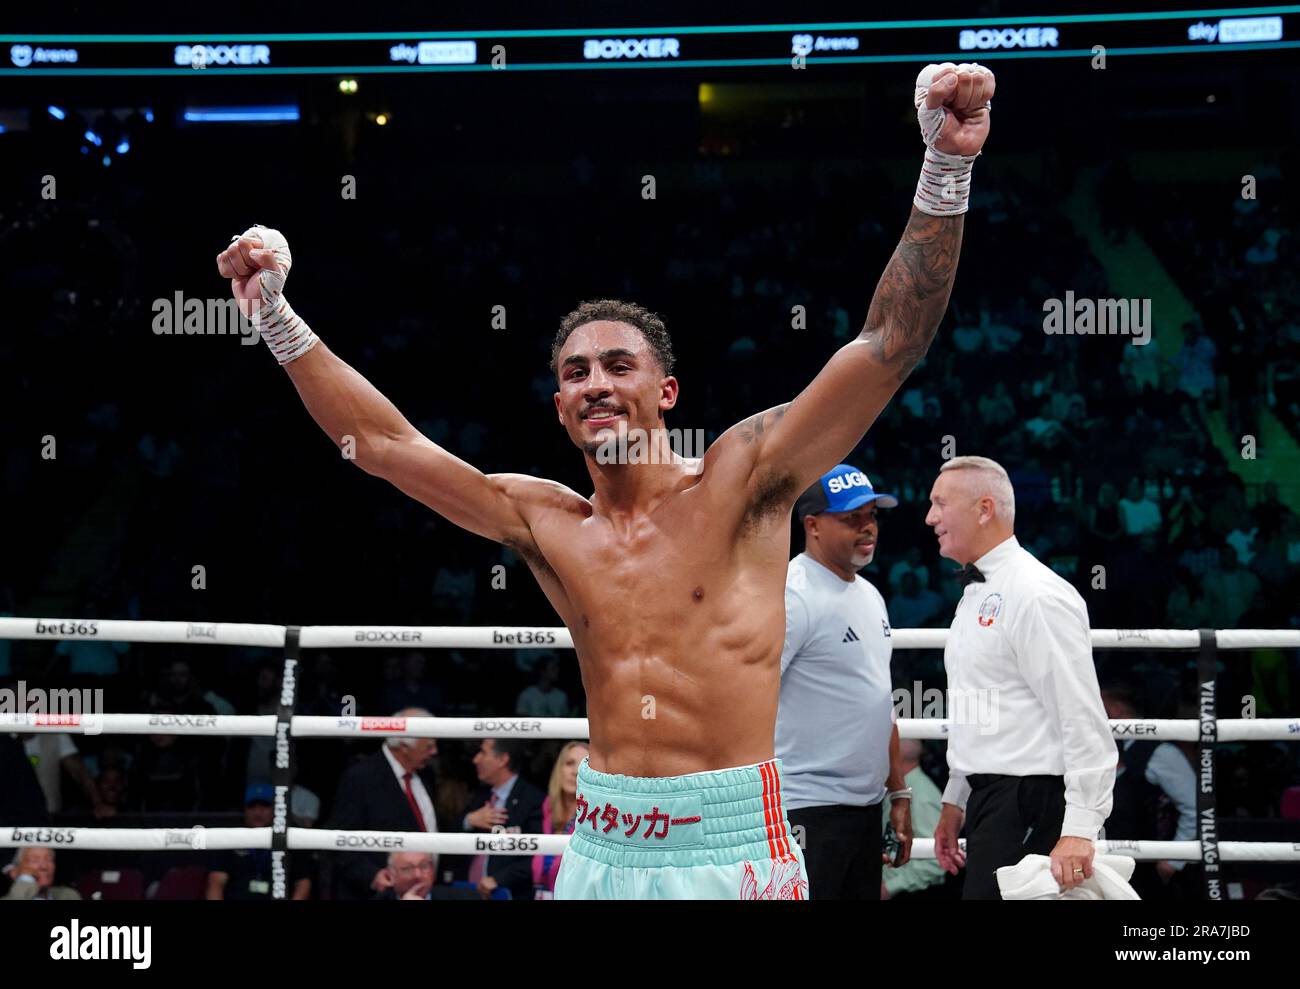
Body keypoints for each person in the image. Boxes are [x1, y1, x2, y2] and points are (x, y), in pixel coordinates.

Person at [215, 60, 995, 899]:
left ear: (665, 392)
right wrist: (273, 315)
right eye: (576, 372)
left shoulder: (744, 480)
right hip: (602, 843)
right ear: (560, 407)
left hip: (730, 836)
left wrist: (945, 166)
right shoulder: (545, 520)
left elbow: (888, 345)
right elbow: (378, 441)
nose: (595, 382)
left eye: (617, 365)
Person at [926, 456, 1116, 898]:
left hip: (1031, 800)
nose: (930, 517)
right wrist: (956, 798)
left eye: (940, 503)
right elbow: (979, 708)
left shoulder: (1036, 594)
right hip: (992, 801)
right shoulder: (976, 593)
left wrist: (1080, 829)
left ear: (984, 508)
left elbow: (1081, 714)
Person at [778, 464, 911, 899]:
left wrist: (899, 793)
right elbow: (742, 697)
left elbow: (878, 702)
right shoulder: (791, 596)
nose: (866, 527)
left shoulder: (869, 594)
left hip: (863, 808)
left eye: (871, 515)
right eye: (851, 518)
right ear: (812, 526)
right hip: (803, 806)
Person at [326, 708, 439, 900]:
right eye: (428, 746)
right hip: (377, 895)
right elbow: (341, 842)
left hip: (426, 890)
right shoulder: (361, 778)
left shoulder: (425, 775)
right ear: (404, 746)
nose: (434, 752)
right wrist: (372, 875)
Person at [1101, 683, 1198, 899]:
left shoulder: (1159, 752)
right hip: (1110, 860)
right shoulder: (1108, 747)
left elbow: (1195, 805)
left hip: (1146, 867)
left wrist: (1173, 860)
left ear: (1116, 709)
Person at [460, 738, 545, 901]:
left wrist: (499, 879)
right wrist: (469, 820)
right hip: (468, 891)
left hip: (510, 894)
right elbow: (450, 830)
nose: (475, 759)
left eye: (483, 752)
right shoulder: (479, 795)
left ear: (502, 760)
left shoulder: (533, 800)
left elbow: (539, 855)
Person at [207, 783, 312, 900]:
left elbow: (303, 883)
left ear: (276, 808)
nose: (258, 812)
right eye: (252, 806)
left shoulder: (290, 837)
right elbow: (216, 883)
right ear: (244, 810)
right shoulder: (231, 837)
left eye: (265, 806)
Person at [882, 740, 949, 900]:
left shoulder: (921, 795)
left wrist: (889, 888)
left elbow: (934, 861)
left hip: (908, 895)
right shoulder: (904, 788)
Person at [532, 740, 589, 898]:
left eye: (584, 765)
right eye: (569, 763)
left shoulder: (596, 817)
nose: (575, 772)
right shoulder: (545, 807)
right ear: (559, 769)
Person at [2, 847, 81, 901]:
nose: (44, 866)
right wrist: (24, 881)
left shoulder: (68, 895)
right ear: (14, 872)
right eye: (34, 860)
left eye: (49, 860)